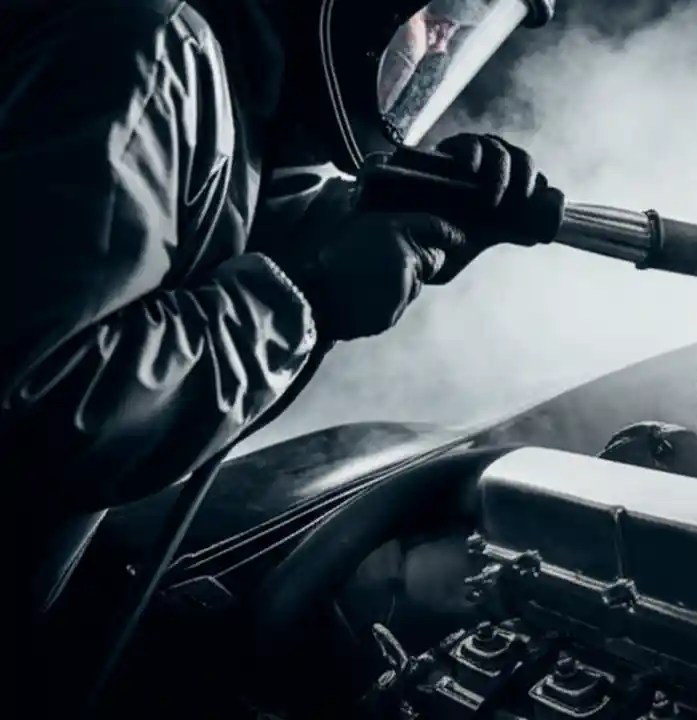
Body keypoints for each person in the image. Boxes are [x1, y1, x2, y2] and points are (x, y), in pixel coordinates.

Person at [0, 0, 554, 633]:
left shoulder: (244, 88)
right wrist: (307, 294)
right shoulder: (146, 46)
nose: (435, 54)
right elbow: (47, 406)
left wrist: (368, 216)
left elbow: (217, 240)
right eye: (437, 21)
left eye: (459, 36)